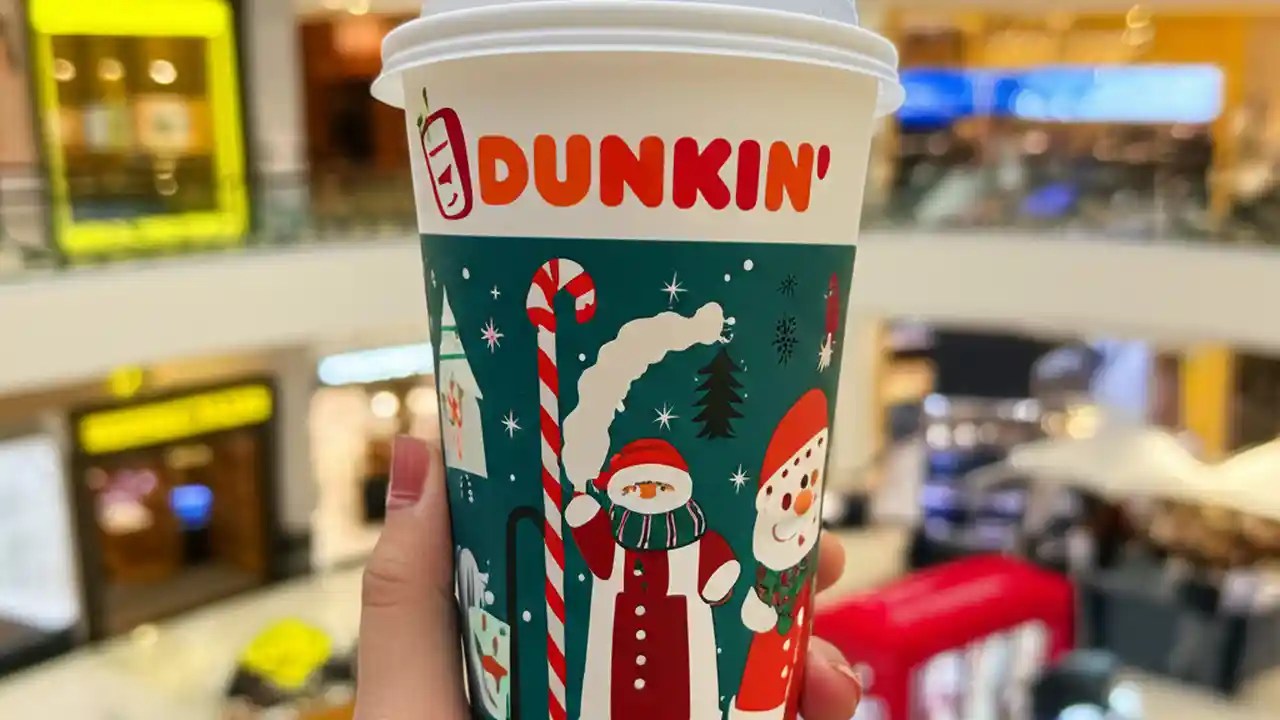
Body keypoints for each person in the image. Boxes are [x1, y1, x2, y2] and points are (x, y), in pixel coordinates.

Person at [354, 436, 865, 720]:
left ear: (677, 489)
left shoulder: (695, 540)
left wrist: (740, 589)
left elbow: (721, 574)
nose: (645, 493)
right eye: (635, 485)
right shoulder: (615, 539)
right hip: (617, 672)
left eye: (655, 484)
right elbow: (594, 551)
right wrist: (579, 512)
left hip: (679, 671)